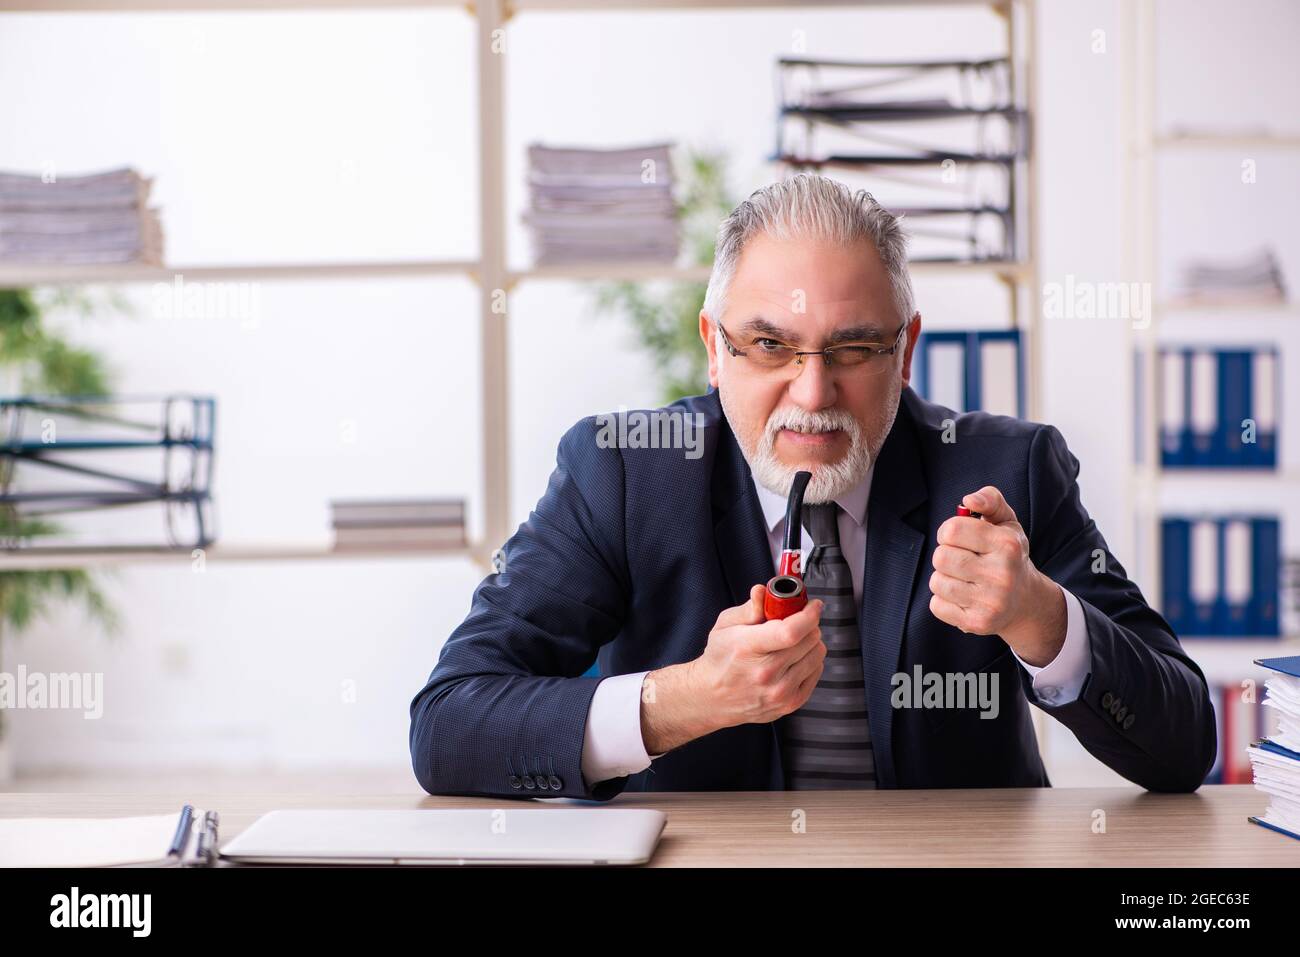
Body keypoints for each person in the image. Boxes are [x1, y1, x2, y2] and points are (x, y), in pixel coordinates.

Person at [409, 172, 1216, 799]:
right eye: (769, 345)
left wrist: (1043, 617)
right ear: (714, 347)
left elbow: (1185, 745)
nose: (813, 392)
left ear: (905, 351)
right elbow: (448, 724)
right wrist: (683, 700)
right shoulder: (623, 472)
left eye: (853, 349)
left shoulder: (1010, 470)